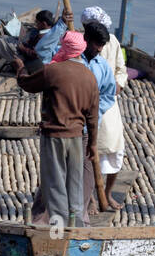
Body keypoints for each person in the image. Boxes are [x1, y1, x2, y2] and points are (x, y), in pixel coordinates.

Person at [16, 48, 99, 228]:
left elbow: (27, 84)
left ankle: (59, 231)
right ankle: (76, 226)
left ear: (65, 50)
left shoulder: (53, 71)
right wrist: (92, 143)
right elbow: (93, 116)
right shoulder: (89, 76)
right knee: (75, 185)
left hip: (54, 136)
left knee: (55, 184)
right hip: (77, 136)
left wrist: (20, 68)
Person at [80, 21, 125, 211]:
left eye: (101, 46)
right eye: (96, 44)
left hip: (97, 117)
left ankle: (104, 195)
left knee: (112, 149)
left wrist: (95, 109)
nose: (99, 49)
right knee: (79, 165)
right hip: (75, 121)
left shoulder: (102, 65)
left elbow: (108, 92)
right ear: (86, 40)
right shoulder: (75, 61)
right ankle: (87, 201)